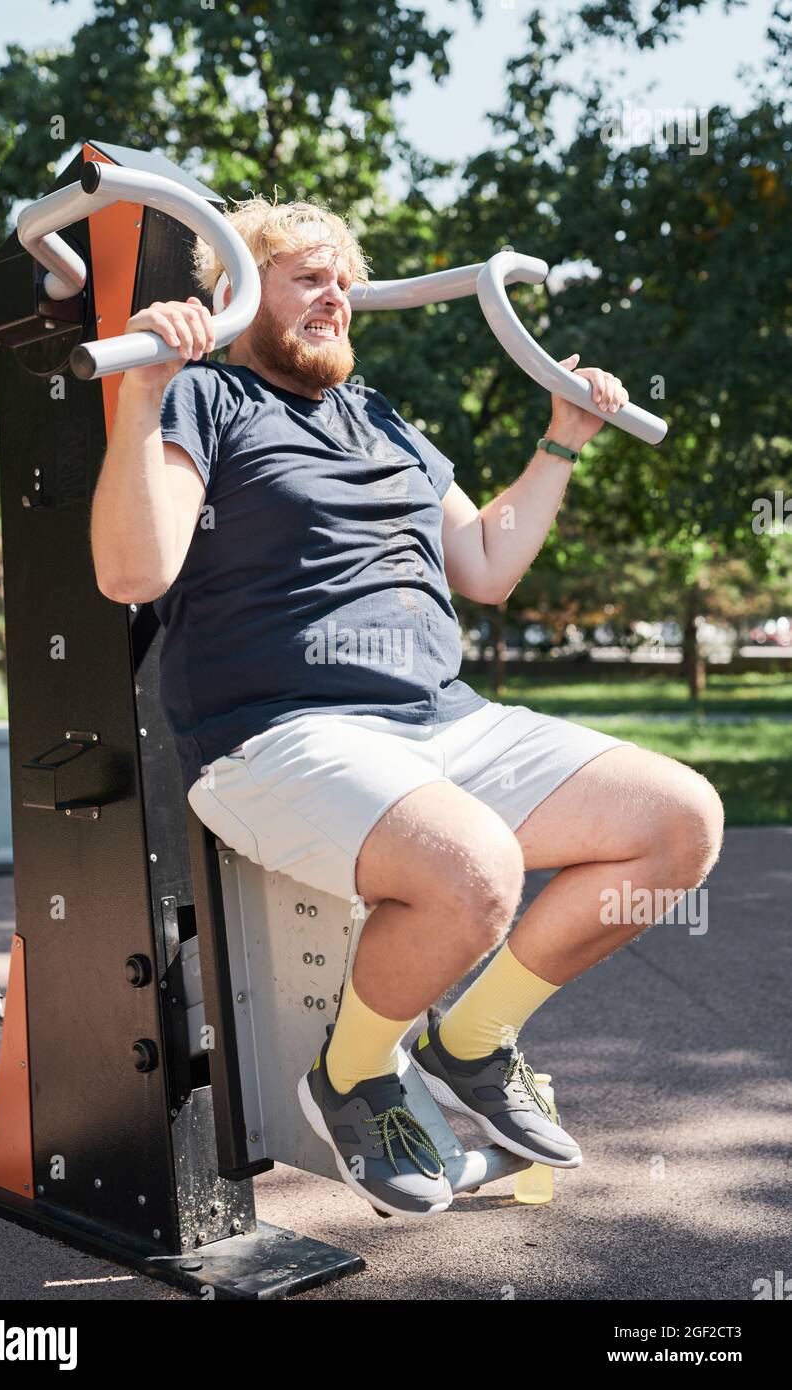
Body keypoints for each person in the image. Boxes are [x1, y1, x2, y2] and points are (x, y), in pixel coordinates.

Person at [90, 197, 724, 1220]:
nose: (335, 290)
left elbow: (482, 564)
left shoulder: (383, 418)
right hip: (279, 734)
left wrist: (560, 441)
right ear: (235, 296)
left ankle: (468, 1042)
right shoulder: (202, 398)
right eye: (306, 272)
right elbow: (130, 572)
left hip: (442, 720)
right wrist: (142, 396)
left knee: (679, 819)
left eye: (343, 275)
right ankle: (354, 1071)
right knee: (475, 869)